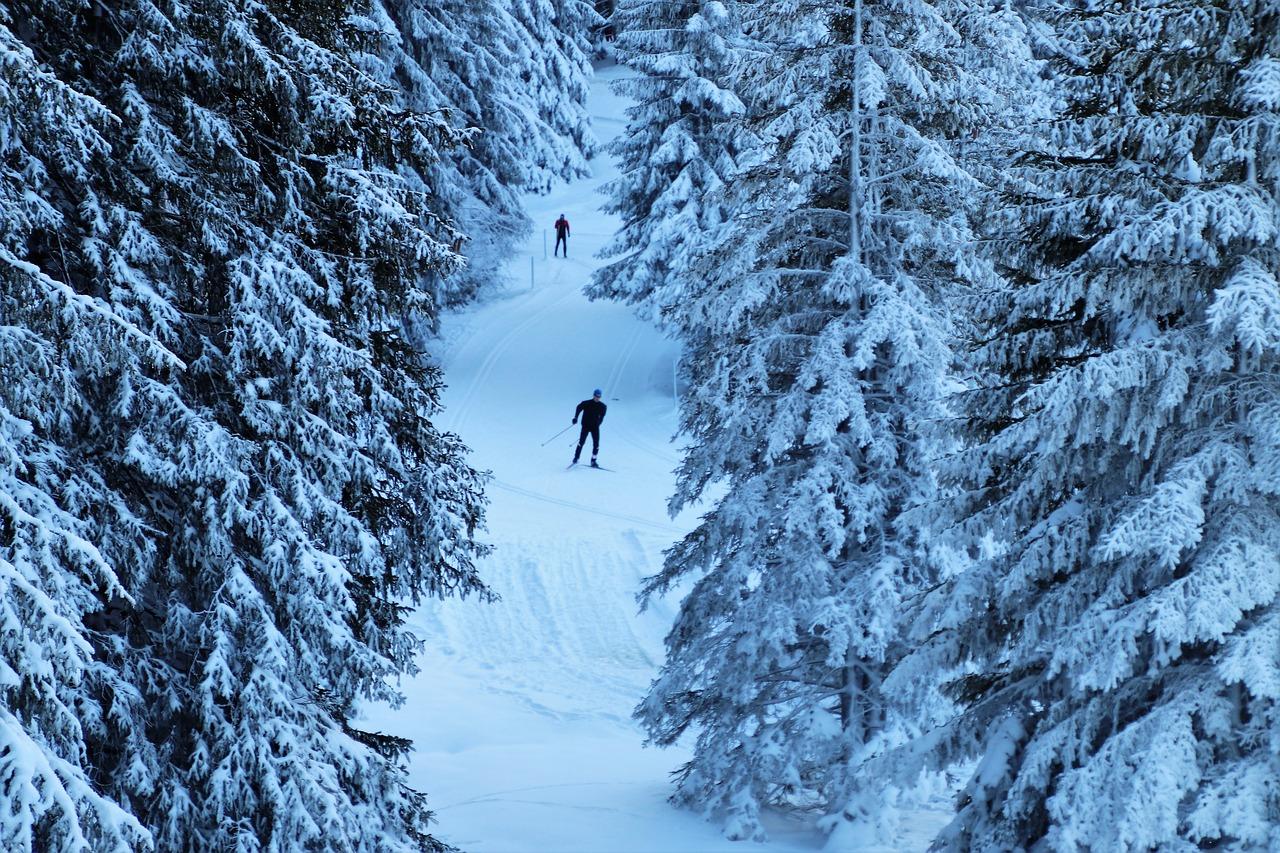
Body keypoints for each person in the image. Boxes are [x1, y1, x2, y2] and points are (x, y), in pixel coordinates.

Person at [572, 389, 607, 466]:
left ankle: (593, 460)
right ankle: (576, 458)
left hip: (595, 427)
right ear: (593, 395)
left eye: (599, 396)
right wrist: (575, 417)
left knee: (596, 444)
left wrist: (598, 424)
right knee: (581, 442)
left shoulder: (603, 407)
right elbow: (578, 408)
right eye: (596, 396)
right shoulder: (586, 403)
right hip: (585, 426)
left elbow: (602, 418)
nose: (597, 398)